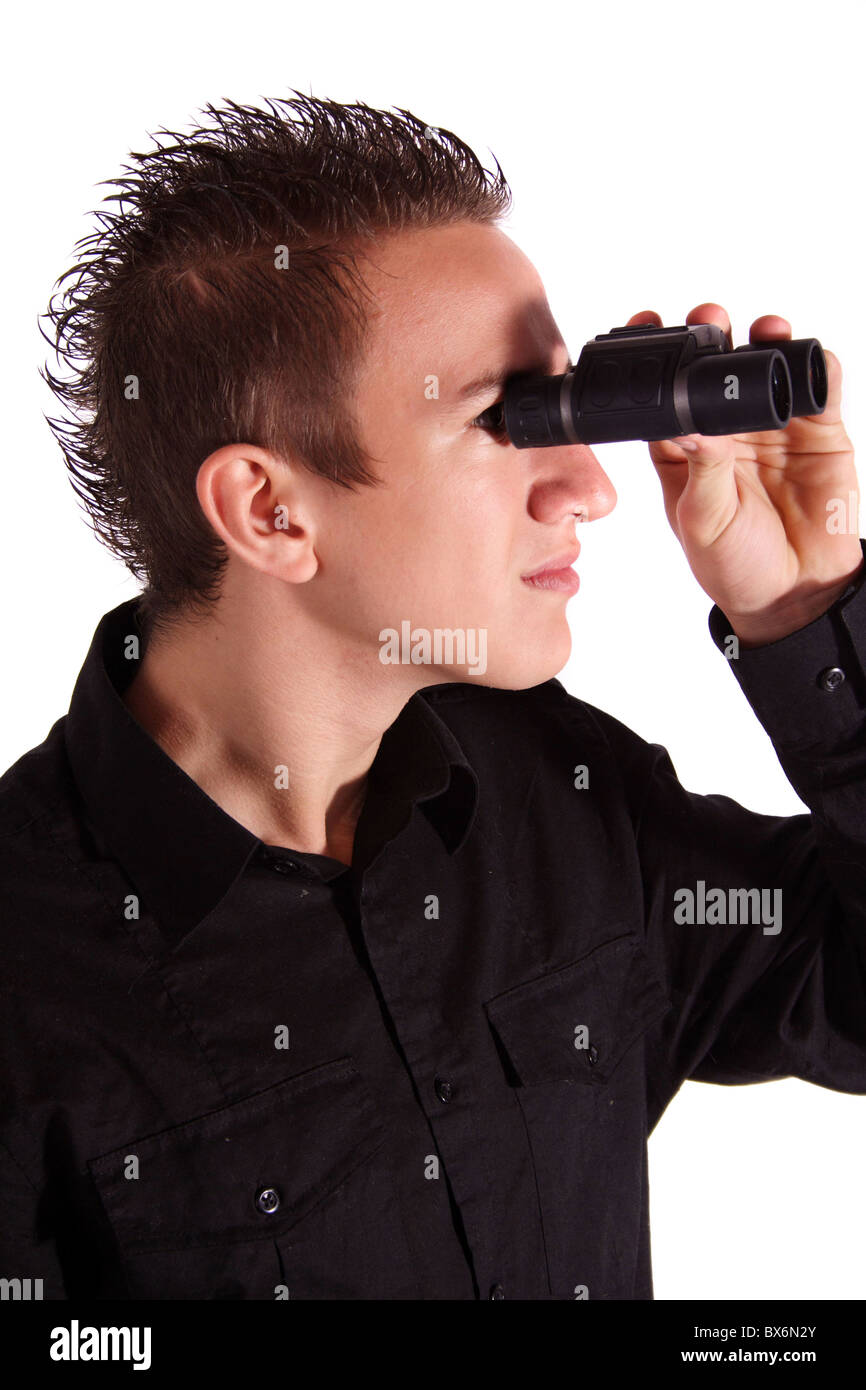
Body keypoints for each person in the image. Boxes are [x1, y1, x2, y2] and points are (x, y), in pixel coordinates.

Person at [1, 90, 864, 1301]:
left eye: (567, 402)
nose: (589, 487)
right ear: (270, 510)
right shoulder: (30, 971)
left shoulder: (556, 799)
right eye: (506, 420)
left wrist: (804, 616)